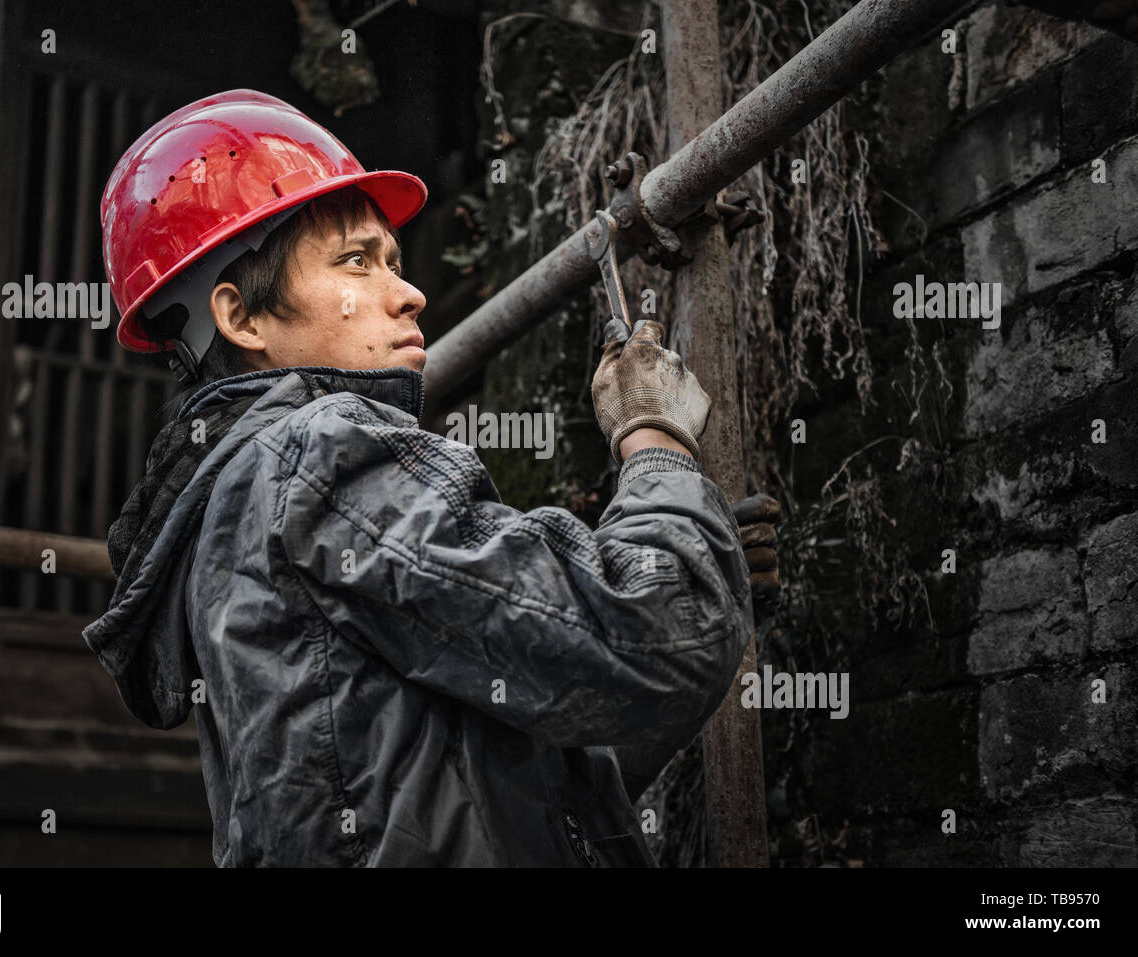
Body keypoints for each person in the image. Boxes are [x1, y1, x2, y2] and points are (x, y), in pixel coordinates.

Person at [84, 89, 770, 866]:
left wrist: (696, 547)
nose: (408, 291)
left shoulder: (238, 505)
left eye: (394, 262)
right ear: (243, 319)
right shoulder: (317, 453)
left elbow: (508, 780)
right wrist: (656, 443)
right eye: (356, 262)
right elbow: (659, 636)